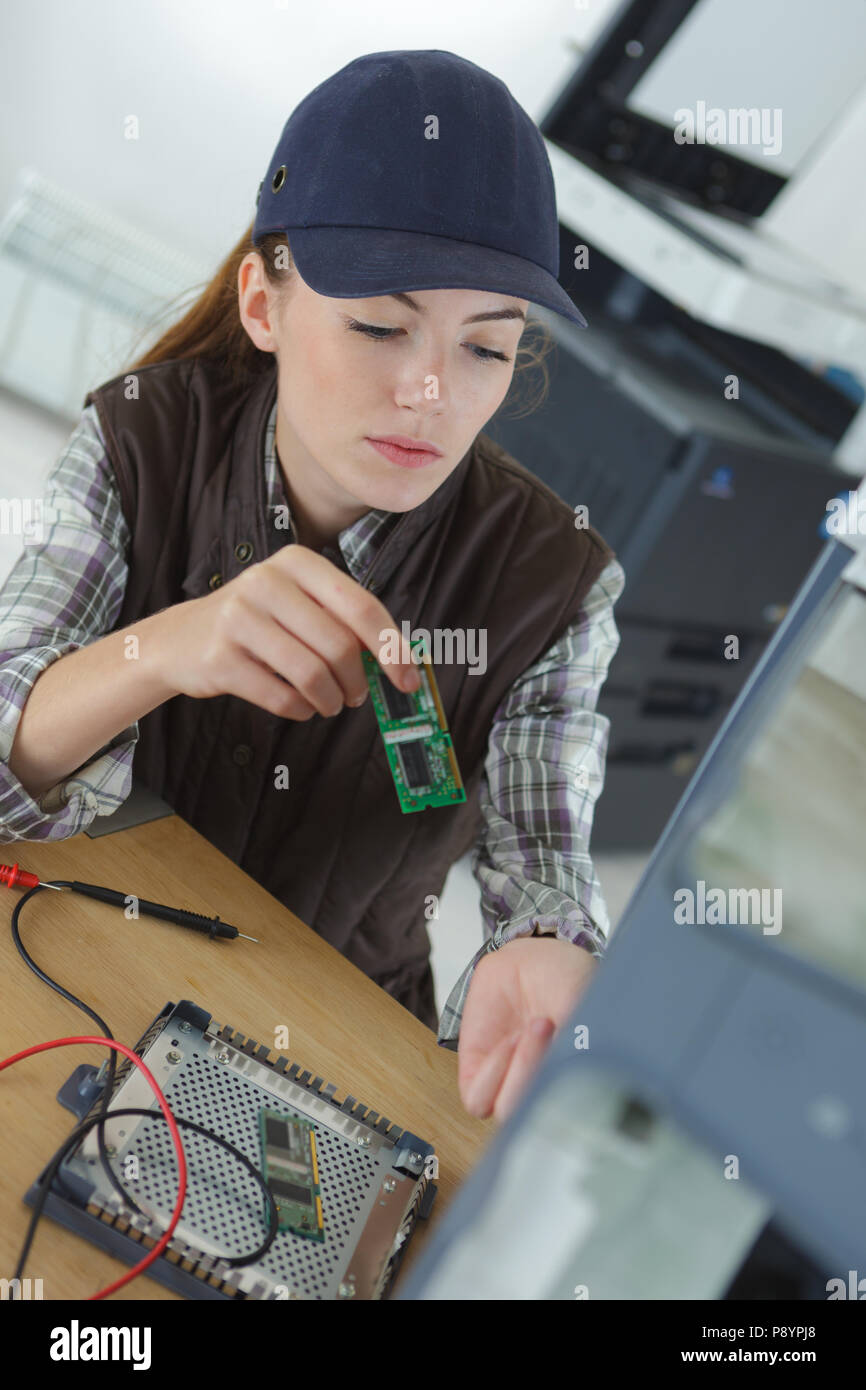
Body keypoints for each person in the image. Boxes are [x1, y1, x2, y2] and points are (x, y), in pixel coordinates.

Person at [0, 50, 625, 1124]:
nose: (428, 393)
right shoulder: (140, 435)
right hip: (70, 947)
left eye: (484, 349)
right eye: (380, 327)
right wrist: (165, 648)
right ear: (262, 303)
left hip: (326, 1044)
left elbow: (549, 868)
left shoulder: (551, 586)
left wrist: (543, 952)